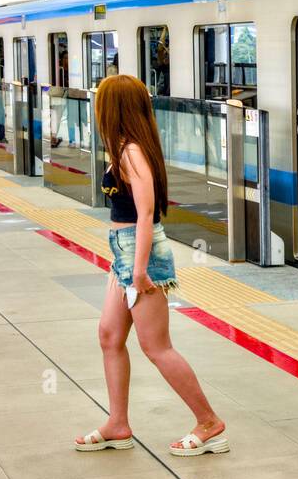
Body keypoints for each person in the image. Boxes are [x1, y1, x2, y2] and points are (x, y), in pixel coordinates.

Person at [74, 74, 227, 457]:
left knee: (156, 346)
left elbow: (146, 214)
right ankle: (118, 423)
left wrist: (139, 270)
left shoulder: (132, 152)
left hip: (141, 255)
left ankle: (209, 422)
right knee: (109, 337)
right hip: (123, 253)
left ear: (113, 108)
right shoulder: (122, 147)